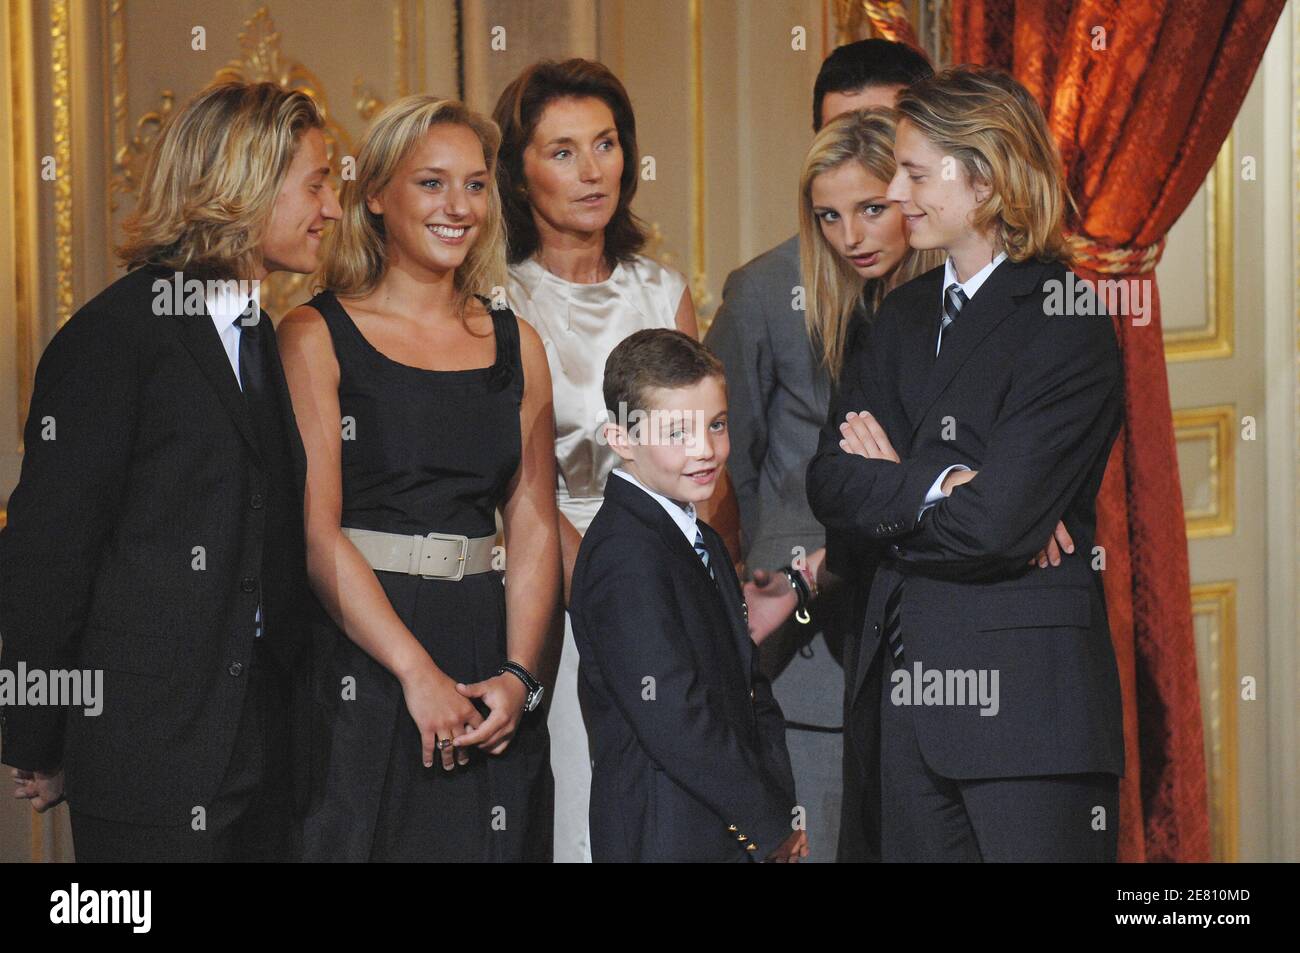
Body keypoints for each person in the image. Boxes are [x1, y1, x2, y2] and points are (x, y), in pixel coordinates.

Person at [0, 81, 340, 861]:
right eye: (316, 183)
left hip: (263, 749)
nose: (330, 207)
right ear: (245, 181)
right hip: (147, 749)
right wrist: (45, 734)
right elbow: (49, 552)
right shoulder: (114, 338)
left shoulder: (264, 334)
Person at [806, 66, 1125, 862]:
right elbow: (830, 483)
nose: (897, 191)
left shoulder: (1067, 318)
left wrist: (903, 492)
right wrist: (943, 481)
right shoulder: (901, 314)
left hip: (1029, 719)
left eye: (915, 173)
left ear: (983, 179)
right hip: (903, 705)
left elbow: (996, 525)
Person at [278, 95, 561, 861]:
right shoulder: (314, 335)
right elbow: (315, 531)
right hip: (363, 655)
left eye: (475, 184)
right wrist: (414, 671)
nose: (458, 207)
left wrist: (518, 675)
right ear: (375, 195)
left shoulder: (517, 341)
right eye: (431, 183)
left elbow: (534, 521)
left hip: (486, 641)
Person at [704, 38, 934, 862]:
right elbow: (718, 471)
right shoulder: (764, 292)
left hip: (932, 642)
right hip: (805, 654)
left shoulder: (959, 292)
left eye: (892, 132)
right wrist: (759, 599)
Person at [494, 58, 703, 862]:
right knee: (584, 814)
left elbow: (700, 459)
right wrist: (616, 596)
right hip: (559, 586)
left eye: (607, 143)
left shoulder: (662, 288)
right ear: (518, 176)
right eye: (562, 151)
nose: (593, 171)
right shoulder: (498, 301)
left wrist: (696, 589)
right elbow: (517, 485)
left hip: (669, 580)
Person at [569, 328, 805, 862]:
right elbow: (676, 716)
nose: (706, 451)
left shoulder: (698, 538)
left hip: (726, 828)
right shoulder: (623, 555)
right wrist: (768, 823)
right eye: (677, 432)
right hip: (666, 833)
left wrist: (778, 812)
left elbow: (750, 685)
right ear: (622, 439)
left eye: (717, 425)